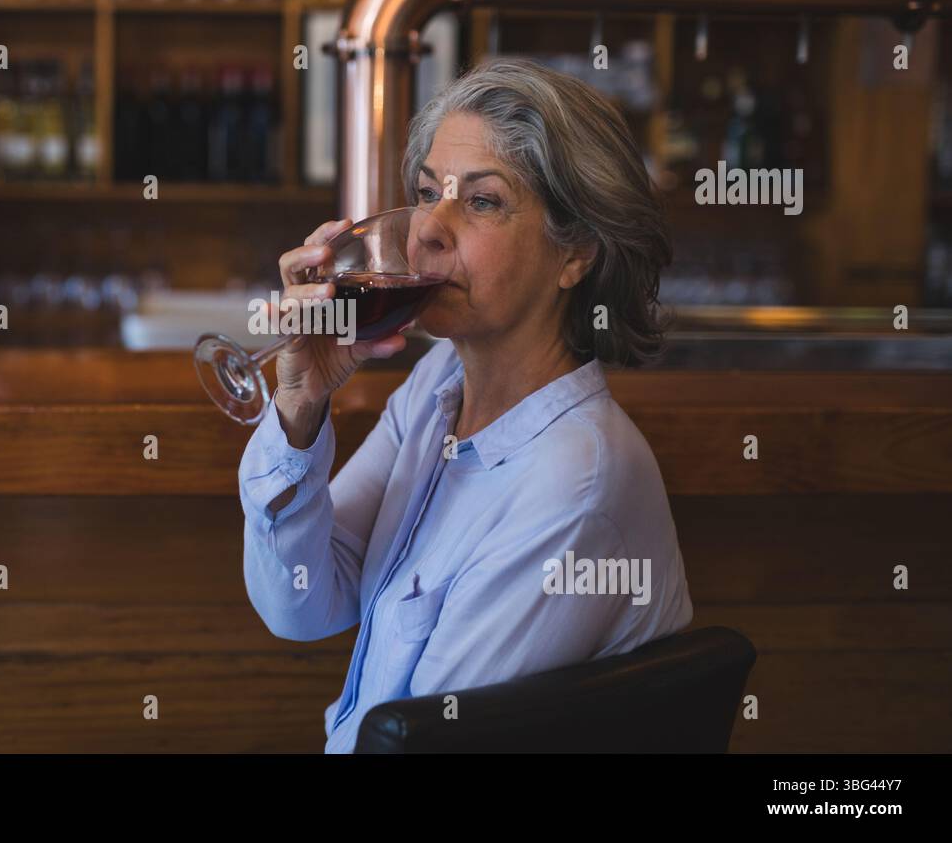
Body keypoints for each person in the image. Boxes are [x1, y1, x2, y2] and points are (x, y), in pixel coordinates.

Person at [238, 57, 693, 753]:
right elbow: (300, 603)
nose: (426, 230)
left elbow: (429, 747)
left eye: (480, 201)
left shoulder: (574, 483)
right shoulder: (437, 387)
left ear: (575, 255)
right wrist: (299, 404)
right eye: (427, 192)